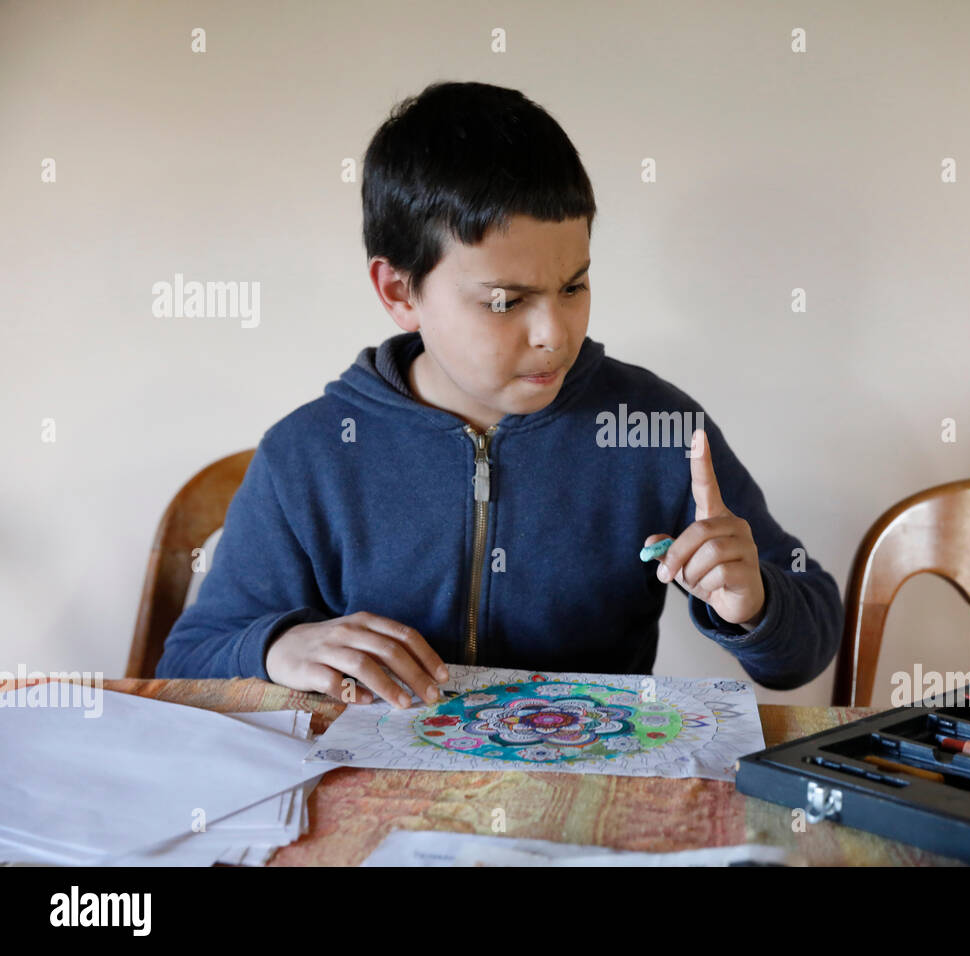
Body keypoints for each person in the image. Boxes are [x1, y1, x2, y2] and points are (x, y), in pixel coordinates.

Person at [157, 81, 844, 708]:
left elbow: (806, 643)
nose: (554, 333)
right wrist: (279, 647)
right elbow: (187, 663)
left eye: (573, 286)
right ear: (399, 292)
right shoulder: (307, 457)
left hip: (585, 798)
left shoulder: (655, 429)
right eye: (506, 300)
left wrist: (754, 604)